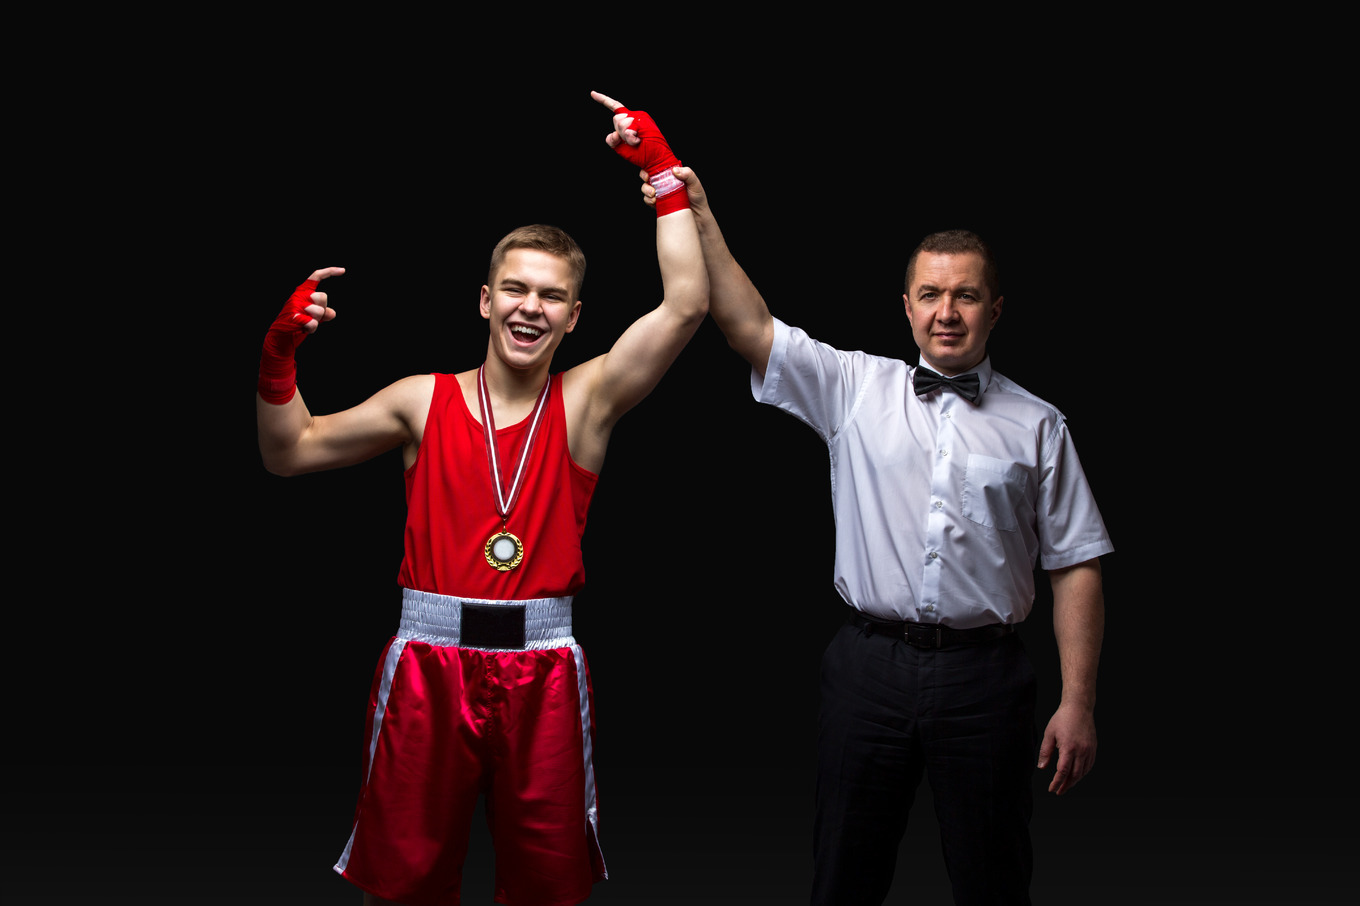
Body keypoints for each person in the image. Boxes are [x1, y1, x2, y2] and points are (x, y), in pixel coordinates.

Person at [255, 92, 705, 906]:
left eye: (551, 296)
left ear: (573, 318)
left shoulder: (589, 401)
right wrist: (278, 357)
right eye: (516, 289)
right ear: (486, 300)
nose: (531, 306)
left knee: (548, 886)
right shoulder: (421, 401)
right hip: (428, 664)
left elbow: (686, 305)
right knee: (403, 881)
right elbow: (289, 451)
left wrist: (664, 176)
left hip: (545, 669)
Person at [637, 166, 1112, 905]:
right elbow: (747, 325)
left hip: (987, 680)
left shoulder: (1040, 424)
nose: (946, 312)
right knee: (843, 880)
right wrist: (696, 209)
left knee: (994, 882)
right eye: (930, 294)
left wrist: (1078, 700)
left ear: (995, 308)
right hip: (867, 670)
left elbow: (1076, 564)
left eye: (965, 295)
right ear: (906, 306)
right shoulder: (855, 387)